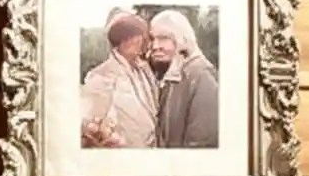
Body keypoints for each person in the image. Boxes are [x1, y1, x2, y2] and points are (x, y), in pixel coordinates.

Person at [79, 10, 159, 148]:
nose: (138, 40)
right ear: (119, 41)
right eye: (131, 36)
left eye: (140, 35)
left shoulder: (145, 70)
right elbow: (90, 125)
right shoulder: (102, 75)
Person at [147, 9, 219, 149]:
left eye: (163, 38)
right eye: (152, 39)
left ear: (182, 39)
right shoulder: (171, 75)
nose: (155, 46)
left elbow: (201, 143)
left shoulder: (201, 76)